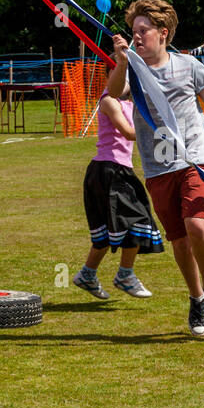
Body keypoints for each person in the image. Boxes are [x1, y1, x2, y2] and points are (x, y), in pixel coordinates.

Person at [108, 0, 204, 338]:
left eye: (143, 31)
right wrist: (123, 60)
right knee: (179, 240)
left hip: (194, 157)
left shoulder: (188, 66)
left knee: (196, 224)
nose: (136, 37)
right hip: (157, 167)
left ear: (162, 33)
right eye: (133, 31)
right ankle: (196, 298)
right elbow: (112, 92)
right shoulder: (134, 70)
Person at [72, 86, 164, 300]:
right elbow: (129, 132)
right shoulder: (109, 101)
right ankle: (125, 275)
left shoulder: (131, 103)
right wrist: (160, 129)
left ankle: (87, 274)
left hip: (117, 170)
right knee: (136, 219)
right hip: (109, 170)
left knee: (107, 231)